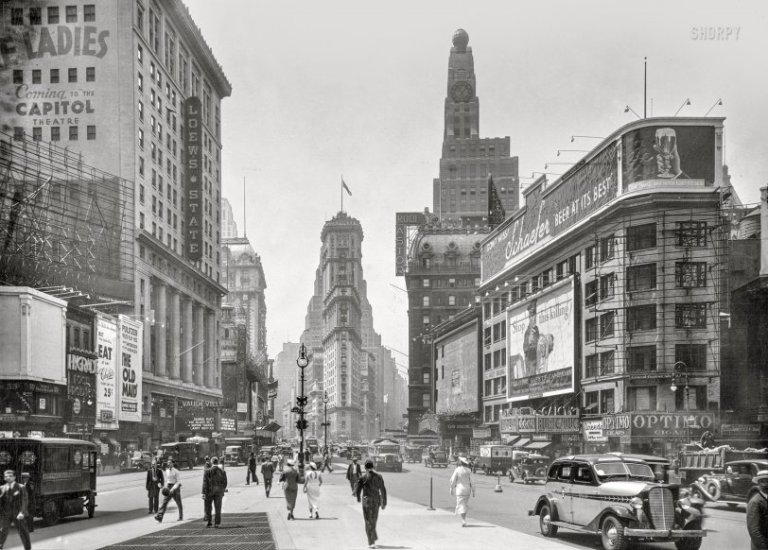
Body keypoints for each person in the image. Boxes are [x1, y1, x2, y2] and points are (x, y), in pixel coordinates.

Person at [355, 459, 387, 549]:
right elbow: (383, 490)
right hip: (376, 501)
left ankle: (371, 541)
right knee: (374, 519)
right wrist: (384, 502)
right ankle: (373, 536)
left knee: (368, 521)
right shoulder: (379, 477)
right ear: (372, 467)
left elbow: (358, 489)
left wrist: (358, 497)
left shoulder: (363, 477)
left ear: (365, 467)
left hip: (366, 501)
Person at [0, 469, 32, 550]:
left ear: (14, 477)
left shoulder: (21, 487)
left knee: (23, 532)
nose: (8, 478)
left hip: (18, 514)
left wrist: (22, 512)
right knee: (2, 531)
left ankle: (27, 548)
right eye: (6, 476)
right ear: (4, 478)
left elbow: (24, 501)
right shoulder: (1, 488)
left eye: (10, 476)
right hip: (6, 514)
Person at [202, 457, 228, 528]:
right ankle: (217, 523)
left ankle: (209, 522)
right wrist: (222, 490)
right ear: (217, 462)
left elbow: (205, 483)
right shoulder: (222, 471)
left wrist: (203, 493)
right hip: (219, 493)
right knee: (218, 508)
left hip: (209, 492)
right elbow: (225, 483)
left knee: (208, 508)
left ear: (211, 462)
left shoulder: (207, 471)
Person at [449, 456, 474, 527]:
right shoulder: (469, 470)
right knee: (464, 504)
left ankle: (463, 520)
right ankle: (463, 519)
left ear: (460, 462)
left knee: (461, 504)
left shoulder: (457, 470)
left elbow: (453, 480)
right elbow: (472, 482)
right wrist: (474, 491)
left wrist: (451, 488)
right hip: (467, 490)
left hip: (460, 489)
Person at [747, 470, 768, 550]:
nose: (766, 484)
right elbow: (754, 531)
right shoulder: (755, 502)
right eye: (763, 482)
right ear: (758, 484)